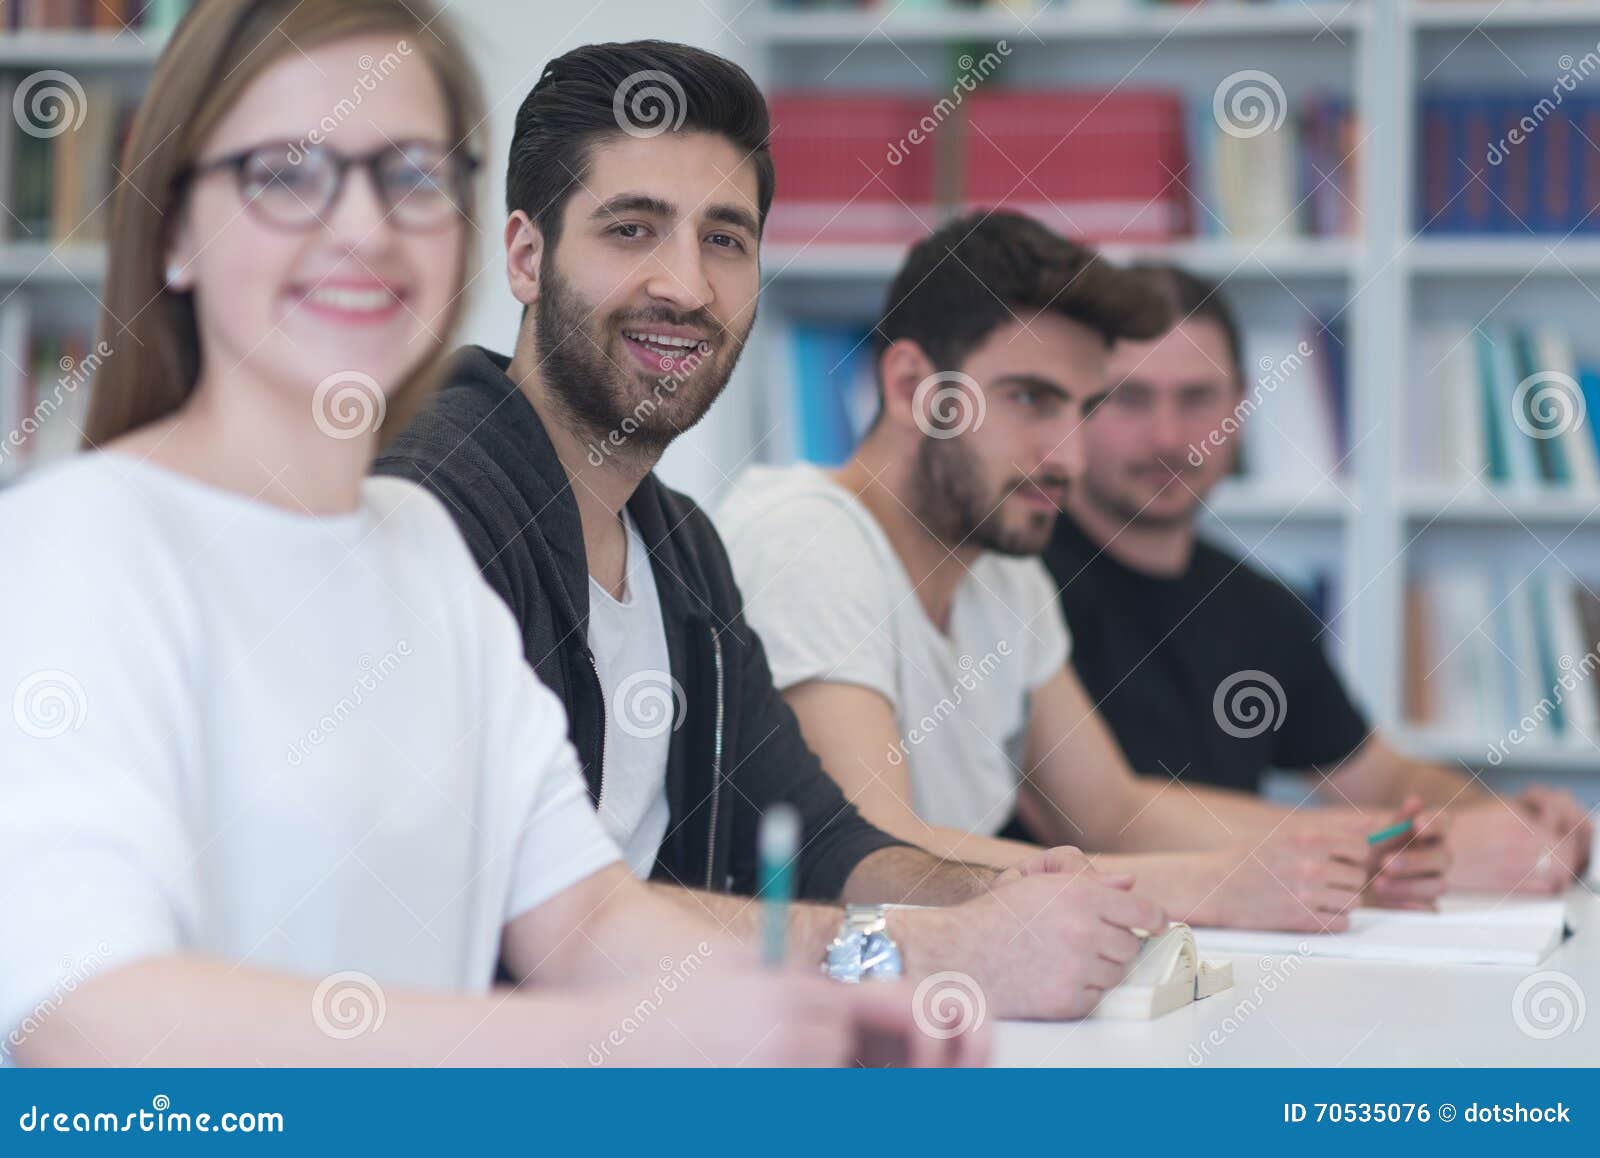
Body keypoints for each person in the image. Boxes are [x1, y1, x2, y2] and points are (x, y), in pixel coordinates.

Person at [0, 0, 980, 1068]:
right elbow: (79, 1011)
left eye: (412, 175)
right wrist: (609, 1041)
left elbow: (584, 922)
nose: (364, 229)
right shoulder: (73, 545)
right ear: (177, 227)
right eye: (287, 173)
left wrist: (835, 1005)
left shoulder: (416, 545)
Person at [374, 40, 1163, 1020]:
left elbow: (822, 841)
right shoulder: (434, 506)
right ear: (526, 255)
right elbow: (507, 912)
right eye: (632, 229)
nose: (686, 287)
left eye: (724, 239)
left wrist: (1007, 898)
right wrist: (945, 948)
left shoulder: (684, 551)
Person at [718, 211, 1451, 934]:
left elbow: (1111, 810)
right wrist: (1214, 883)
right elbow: (871, 852)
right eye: (1031, 399)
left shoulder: (1006, 574)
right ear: (914, 386)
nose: (1068, 457)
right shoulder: (805, 536)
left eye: (1085, 409)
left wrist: (1338, 850)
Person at [1038, 261, 1594, 895]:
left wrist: (1513, 817)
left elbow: (1380, 780)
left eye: (1197, 398)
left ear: (1240, 406)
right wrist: (1401, 845)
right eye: (1130, 399)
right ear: (1078, 403)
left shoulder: (1261, 608)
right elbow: (1110, 816)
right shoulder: (1018, 586)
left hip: (1233, 957)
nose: (1169, 436)